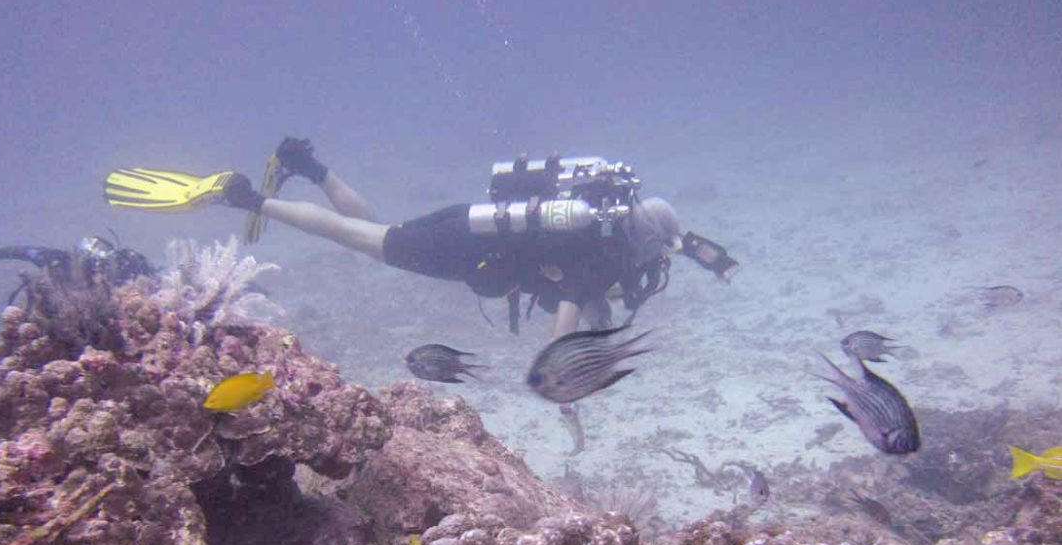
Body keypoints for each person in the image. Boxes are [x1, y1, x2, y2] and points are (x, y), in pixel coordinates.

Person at [105, 139, 738, 450]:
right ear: (638, 240)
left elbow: (662, 251)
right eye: (658, 253)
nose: (656, 264)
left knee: (377, 229)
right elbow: (563, 331)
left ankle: (307, 163)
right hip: (467, 246)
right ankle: (248, 196)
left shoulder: (608, 230)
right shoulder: (595, 254)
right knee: (364, 238)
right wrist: (562, 390)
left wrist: (711, 259)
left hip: (470, 222)